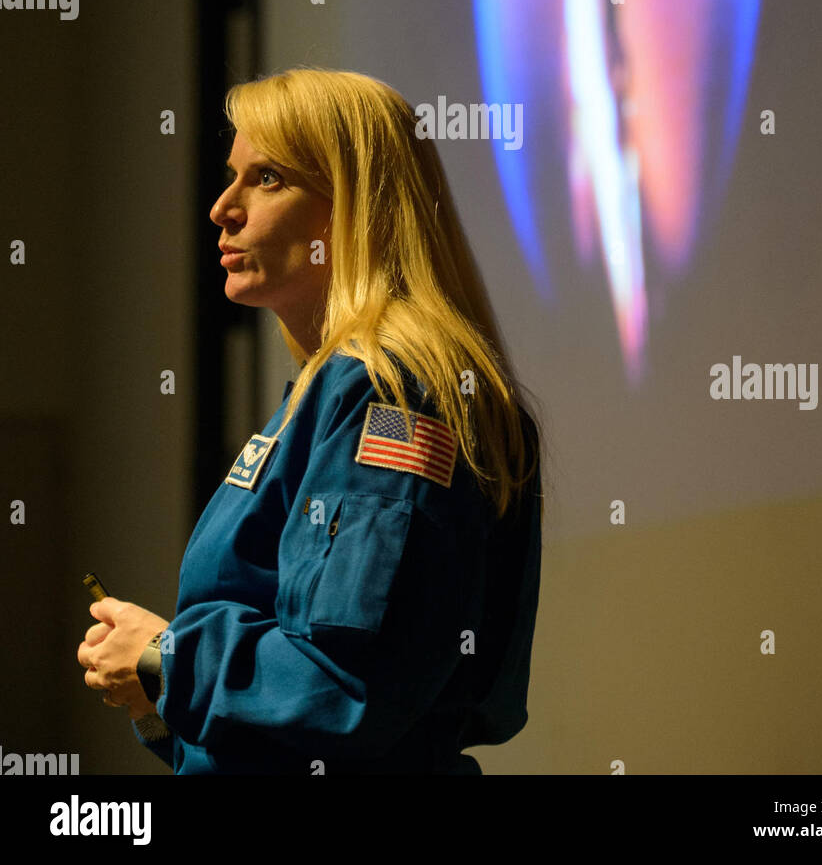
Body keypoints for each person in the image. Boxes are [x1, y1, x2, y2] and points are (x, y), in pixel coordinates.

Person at [76, 67, 544, 774]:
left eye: (265, 178)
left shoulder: (395, 393)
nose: (221, 208)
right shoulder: (325, 394)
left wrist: (167, 655)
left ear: (350, 208)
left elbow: (346, 692)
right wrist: (161, 699)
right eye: (232, 175)